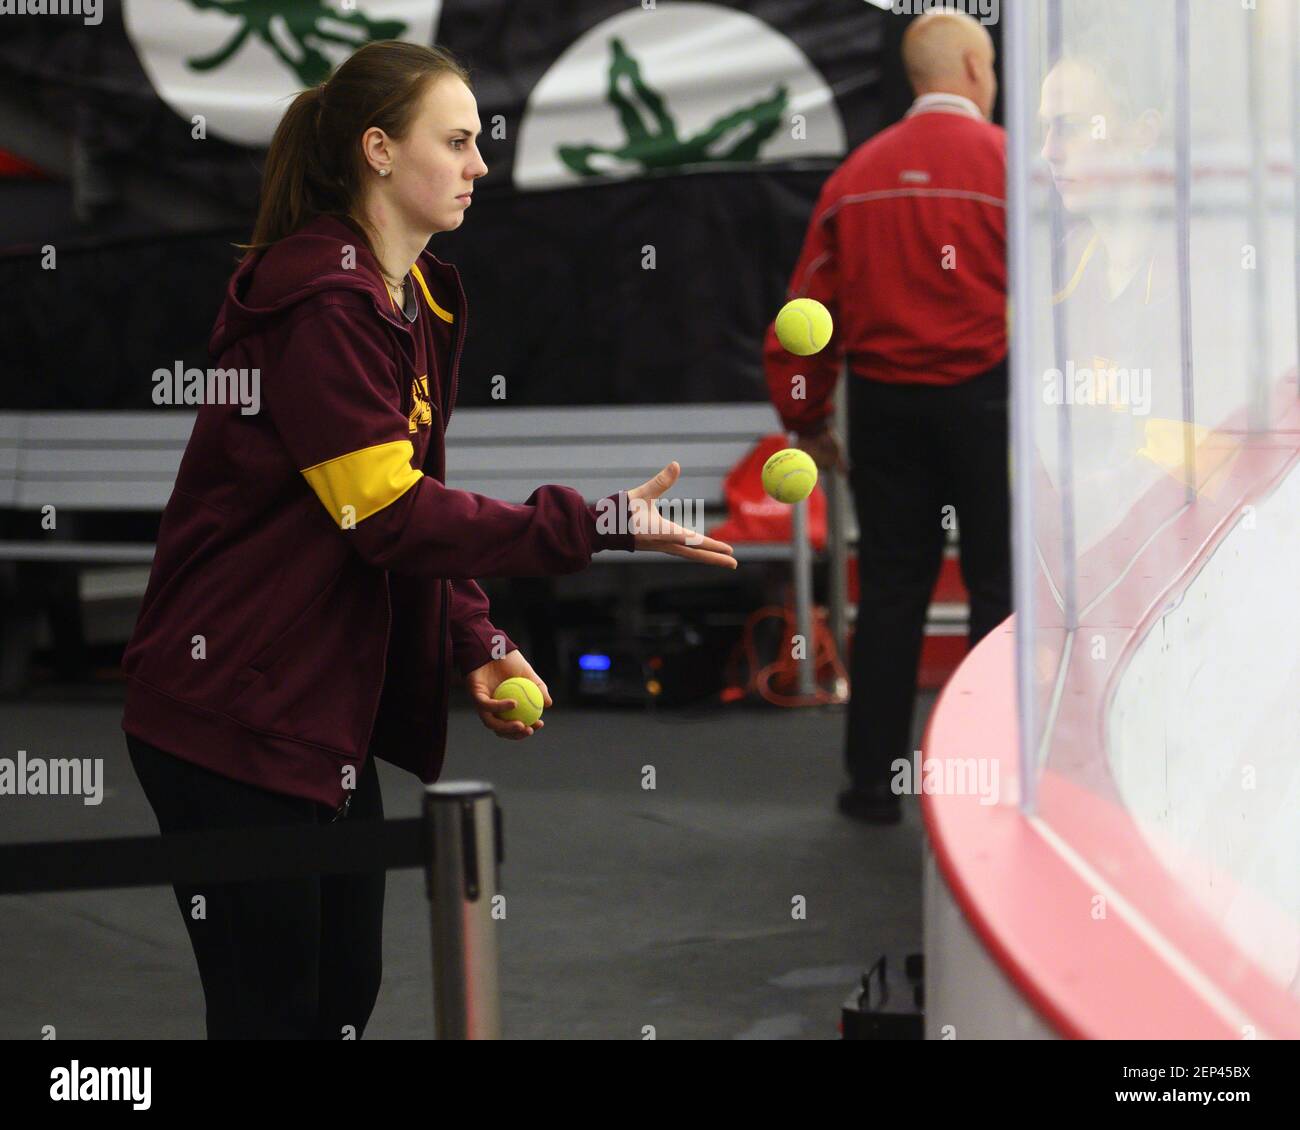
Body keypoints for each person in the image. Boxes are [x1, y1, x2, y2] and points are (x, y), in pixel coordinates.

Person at [120, 40, 737, 1040]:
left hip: (314, 717)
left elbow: (405, 506)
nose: (479, 164)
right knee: (273, 1016)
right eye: (454, 141)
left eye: (477, 143)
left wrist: (478, 641)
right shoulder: (327, 307)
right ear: (376, 150)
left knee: (340, 1001)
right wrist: (597, 522)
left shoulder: (412, 297)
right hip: (226, 715)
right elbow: (390, 516)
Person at [764, 10, 1009, 824]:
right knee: (997, 588)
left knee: (894, 593)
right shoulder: (1012, 168)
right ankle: (990, 779)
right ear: (976, 67)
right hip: (988, 403)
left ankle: (872, 783)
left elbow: (807, 313)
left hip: (885, 407)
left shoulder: (857, 175)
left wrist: (806, 418)